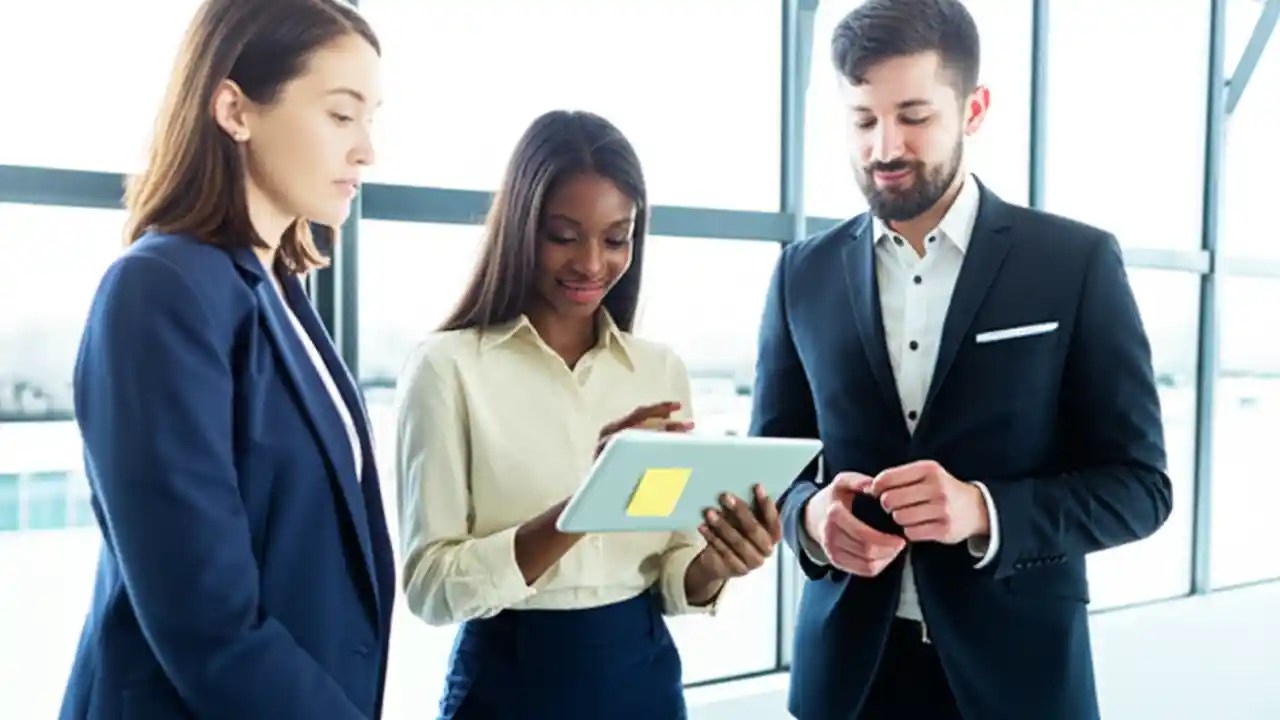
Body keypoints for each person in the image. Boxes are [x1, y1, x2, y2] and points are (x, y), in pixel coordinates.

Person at [752, 1, 1172, 719]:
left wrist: (984, 509)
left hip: (1019, 681)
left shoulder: (1074, 264)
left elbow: (1140, 487)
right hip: (847, 682)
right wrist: (812, 515)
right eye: (863, 120)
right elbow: (773, 464)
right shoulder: (802, 273)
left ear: (973, 109)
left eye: (913, 116)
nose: (885, 147)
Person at [58, 1, 393, 718]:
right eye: (341, 115)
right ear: (235, 109)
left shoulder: (283, 292)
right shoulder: (161, 289)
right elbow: (207, 622)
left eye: (373, 118)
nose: (368, 149)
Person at [394, 109, 782, 720]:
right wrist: (585, 507)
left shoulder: (658, 372)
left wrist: (720, 561)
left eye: (616, 236)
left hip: (643, 677)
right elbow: (431, 588)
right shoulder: (447, 368)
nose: (592, 263)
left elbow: (676, 574)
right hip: (509, 682)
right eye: (563, 234)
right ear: (522, 225)